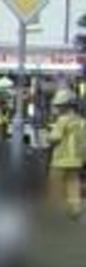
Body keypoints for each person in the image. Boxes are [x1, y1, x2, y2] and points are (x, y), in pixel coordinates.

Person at [46, 88, 85, 219]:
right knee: (73, 185)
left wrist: (48, 135)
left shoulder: (62, 120)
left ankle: (56, 213)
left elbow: (55, 138)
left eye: (59, 106)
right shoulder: (81, 121)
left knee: (56, 186)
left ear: (65, 105)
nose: (57, 108)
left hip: (60, 160)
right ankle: (75, 210)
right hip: (76, 160)